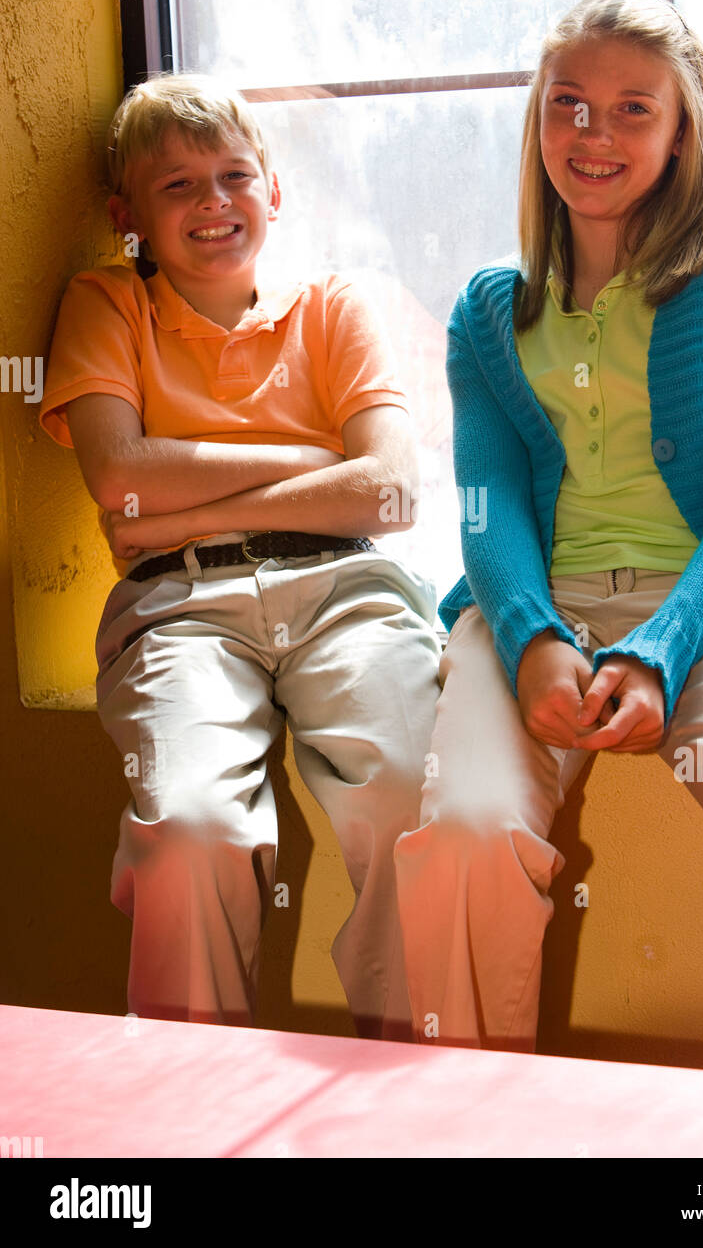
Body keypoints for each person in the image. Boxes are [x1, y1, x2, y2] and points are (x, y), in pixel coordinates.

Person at [394, 0, 703, 1081]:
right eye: (567, 105)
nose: (590, 135)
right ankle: (468, 1130)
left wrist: (656, 651)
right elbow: (485, 506)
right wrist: (528, 636)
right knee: (465, 834)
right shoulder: (486, 308)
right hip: (533, 605)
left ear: (684, 124)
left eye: (629, 110)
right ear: (536, 121)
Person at [39, 73, 441, 1038]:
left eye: (233, 175)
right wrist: (312, 459)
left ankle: (418, 1099)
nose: (214, 202)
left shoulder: (337, 306)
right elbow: (116, 478)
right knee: (190, 832)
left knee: (415, 802)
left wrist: (170, 501)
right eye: (178, 186)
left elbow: (388, 491)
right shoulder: (106, 305)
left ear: (273, 188)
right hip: (180, 606)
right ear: (126, 213)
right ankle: (186, 1121)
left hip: (347, 587)